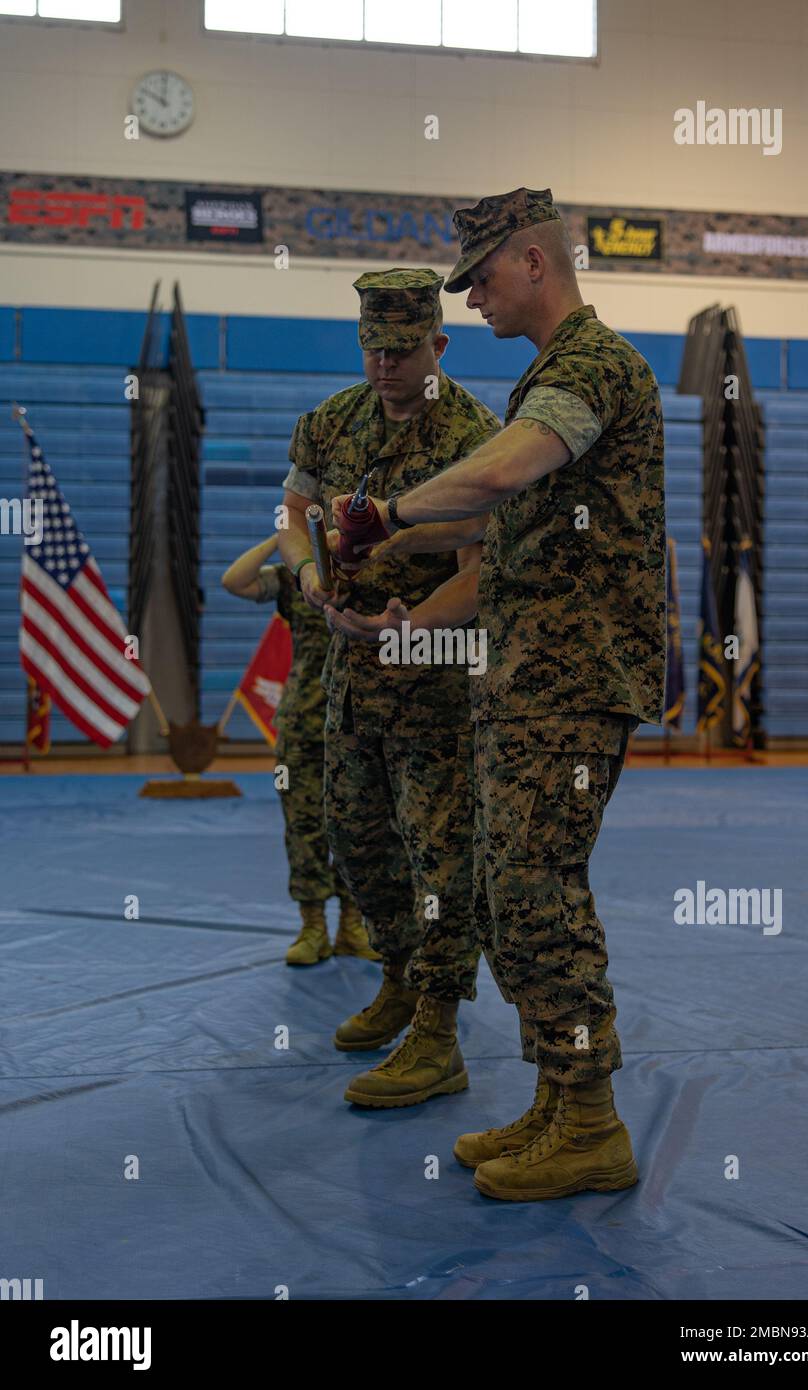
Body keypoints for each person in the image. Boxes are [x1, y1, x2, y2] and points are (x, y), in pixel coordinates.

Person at [328, 188, 666, 1200]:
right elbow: (497, 546)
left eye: (479, 275)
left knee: (533, 894)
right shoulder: (545, 378)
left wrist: (385, 509)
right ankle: (559, 1102)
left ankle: (591, 1123)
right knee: (509, 892)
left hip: (572, 679)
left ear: (531, 259)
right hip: (525, 677)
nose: (470, 295)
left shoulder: (592, 369)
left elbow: (499, 477)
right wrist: (406, 617)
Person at [276, 268, 500, 1108]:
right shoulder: (332, 420)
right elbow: (294, 515)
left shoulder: (477, 434)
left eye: (401, 350)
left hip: (436, 686)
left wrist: (414, 627)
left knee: (441, 854)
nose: (383, 365)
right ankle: (401, 981)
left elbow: (482, 573)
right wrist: (307, 581)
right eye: (371, 347)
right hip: (350, 680)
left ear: (437, 344)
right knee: (357, 840)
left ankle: (439, 1032)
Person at [221, 535, 377, 963]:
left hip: (357, 718)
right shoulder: (296, 580)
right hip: (303, 720)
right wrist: (282, 537)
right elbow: (234, 580)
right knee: (302, 825)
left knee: (356, 827)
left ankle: (352, 924)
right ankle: (312, 927)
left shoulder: (375, 572)